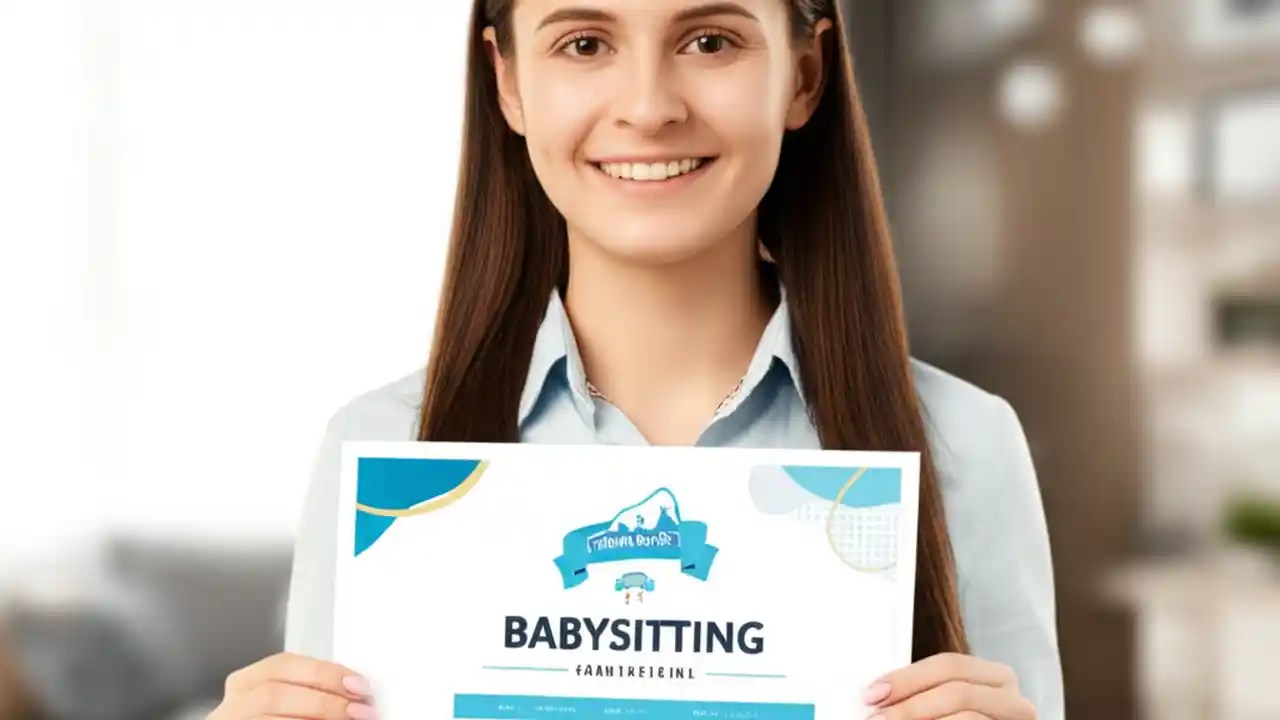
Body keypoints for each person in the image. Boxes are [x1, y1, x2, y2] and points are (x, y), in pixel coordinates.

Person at [209, 0, 1063, 718]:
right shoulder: (382, 449)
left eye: (710, 41)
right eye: (585, 44)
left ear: (803, 76)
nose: (649, 107)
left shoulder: (965, 444)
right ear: (508, 82)